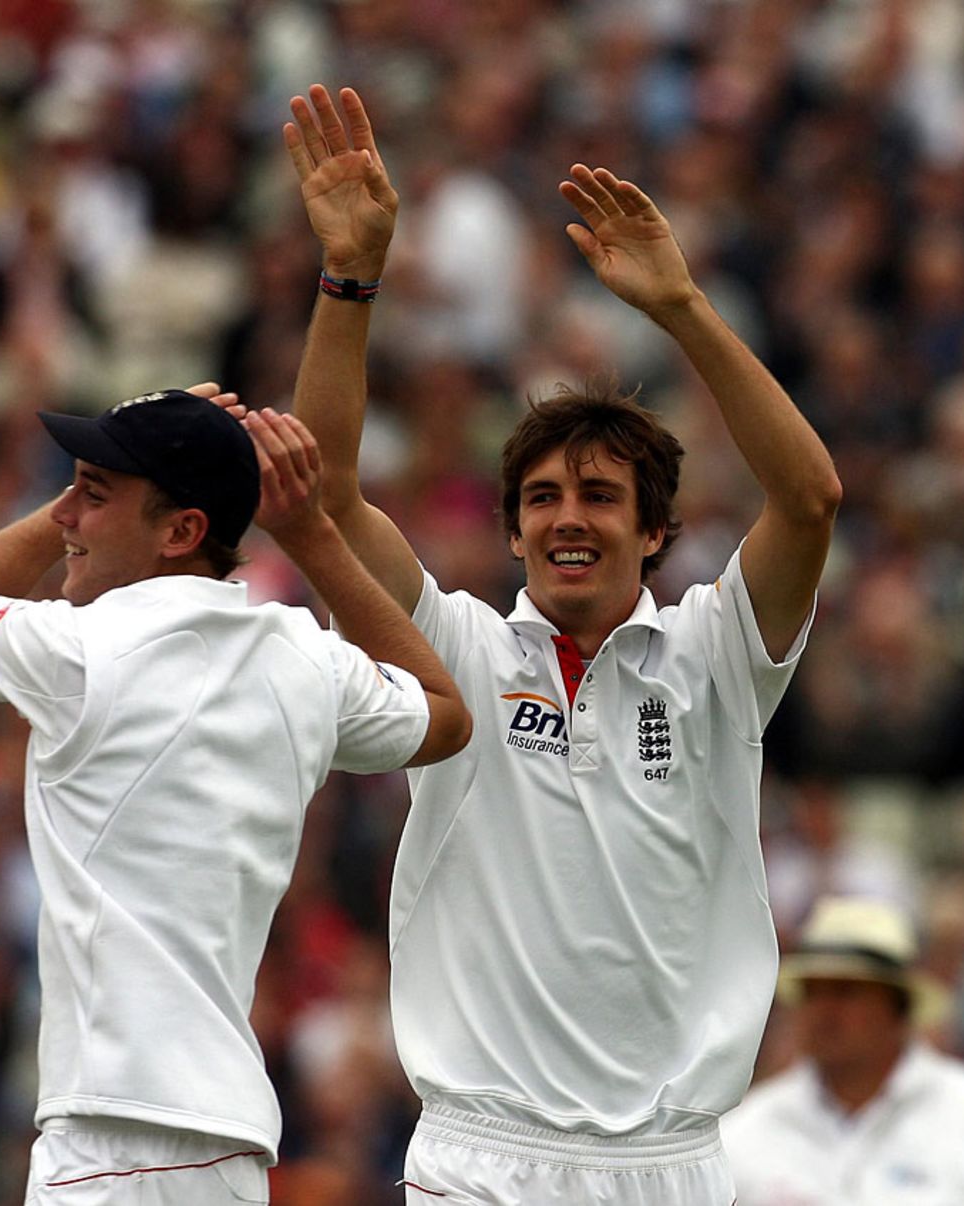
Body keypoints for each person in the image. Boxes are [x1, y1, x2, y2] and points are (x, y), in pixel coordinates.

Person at [283, 84, 843, 1205]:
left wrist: (679, 307)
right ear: (511, 527)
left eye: (598, 495)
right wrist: (350, 279)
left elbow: (810, 496)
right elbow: (331, 497)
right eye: (539, 498)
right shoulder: (455, 651)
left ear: (655, 532)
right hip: (478, 1157)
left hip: (666, 1163)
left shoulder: (714, 659)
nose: (566, 517)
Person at [0, 384, 471, 1205]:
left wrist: (46, 517)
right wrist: (308, 532)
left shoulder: (77, 649)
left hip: (106, 1136)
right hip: (232, 1149)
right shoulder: (305, 657)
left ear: (181, 530)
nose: (68, 516)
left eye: (92, 495)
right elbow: (447, 716)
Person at [721, 895, 964, 1204]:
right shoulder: (742, 1133)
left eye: (845, 990)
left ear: (898, 1008)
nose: (823, 1010)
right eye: (811, 991)